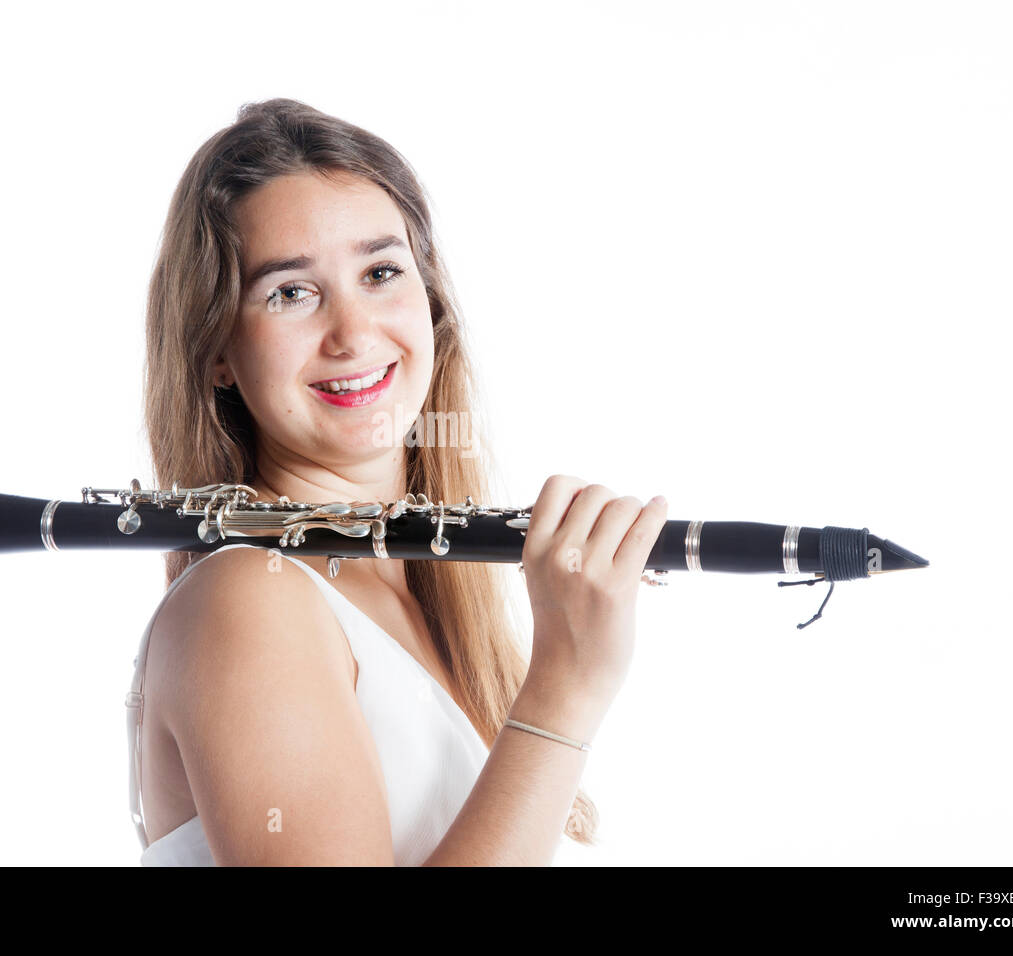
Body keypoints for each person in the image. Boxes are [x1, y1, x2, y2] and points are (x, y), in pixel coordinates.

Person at [125, 98, 668, 866]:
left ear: (430, 300)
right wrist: (565, 689)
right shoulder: (250, 597)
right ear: (216, 349)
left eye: (381, 272)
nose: (353, 334)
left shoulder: (436, 600)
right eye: (291, 291)